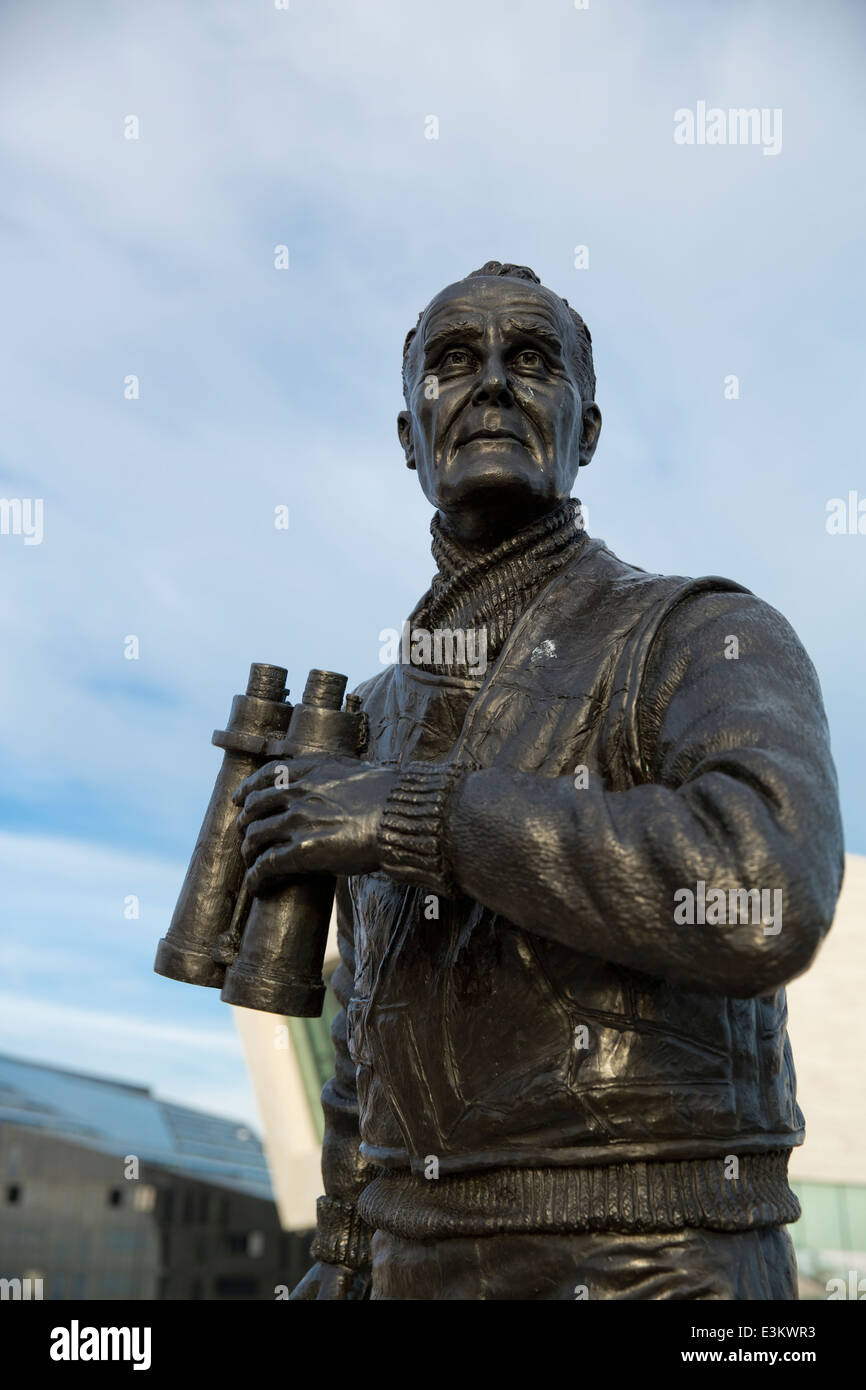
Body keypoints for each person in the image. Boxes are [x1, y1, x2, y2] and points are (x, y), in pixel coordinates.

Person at [235, 261, 844, 1300]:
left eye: (530, 361)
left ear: (586, 431)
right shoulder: (368, 714)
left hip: (650, 1267)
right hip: (407, 1266)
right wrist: (340, 1254)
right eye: (451, 365)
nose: (491, 387)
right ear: (407, 439)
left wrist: (415, 813)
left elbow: (764, 889)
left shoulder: (700, 635)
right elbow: (368, 1021)